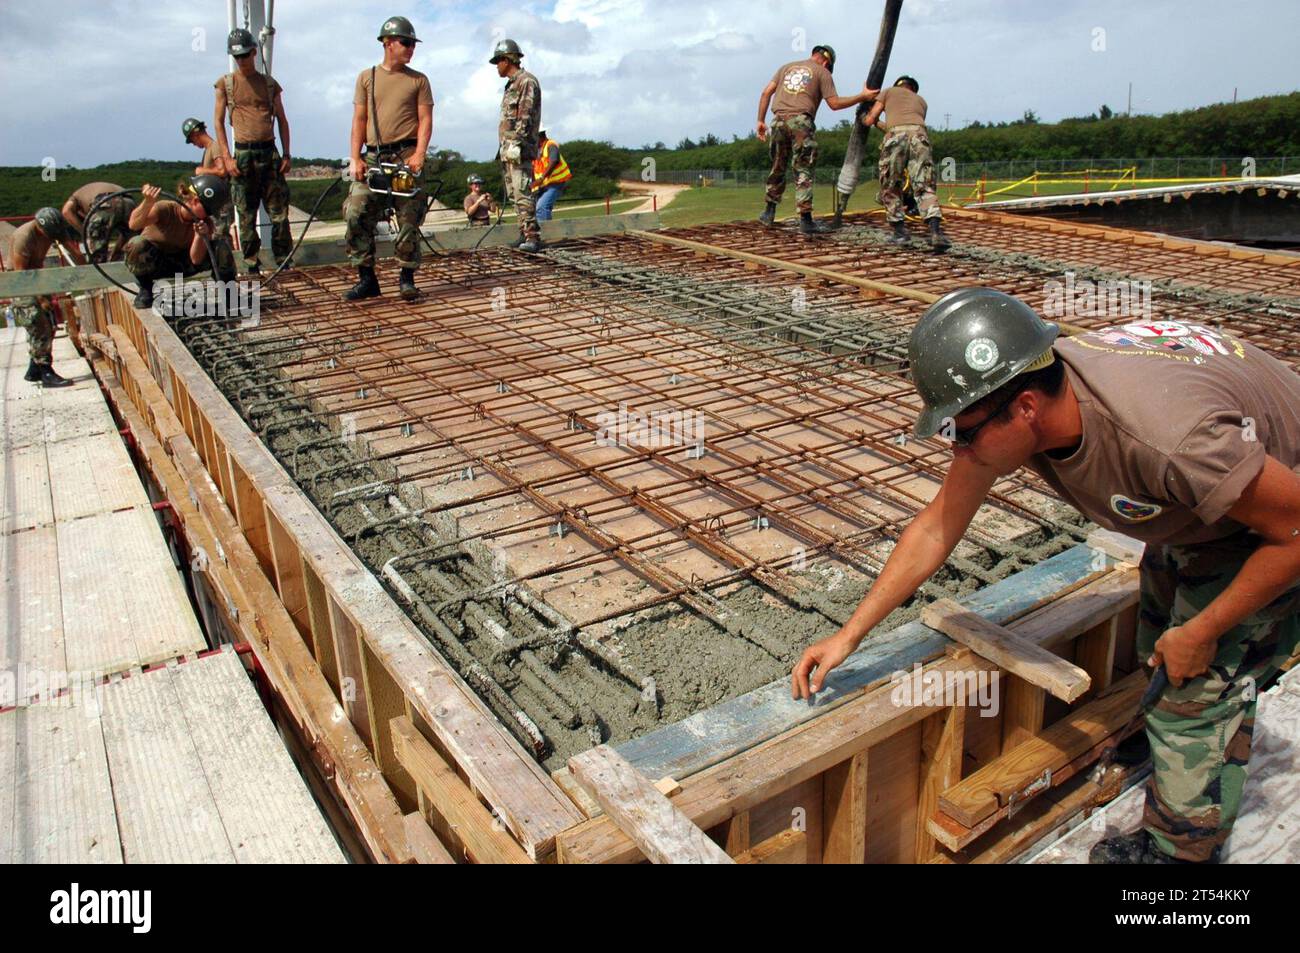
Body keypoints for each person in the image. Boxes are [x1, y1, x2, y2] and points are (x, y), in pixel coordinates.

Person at [792, 288, 1300, 864]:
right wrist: (848, 635)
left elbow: (1295, 533)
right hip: (1201, 501)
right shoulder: (1025, 393)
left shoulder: (1170, 443)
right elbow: (937, 527)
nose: (959, 446)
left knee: (1196, 685)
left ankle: (1179, 859)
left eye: (964, 430)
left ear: (1026, 408)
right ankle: (1175, 752)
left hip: (1276, 512)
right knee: (1159, 635)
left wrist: (1204, 631)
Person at [342, 15, 433, 301]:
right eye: (406, 43)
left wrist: (419, 153)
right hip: (373, 158)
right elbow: (359, 119)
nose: (410, 48)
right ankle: (367, 278)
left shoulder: (418, 80)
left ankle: (406, 277)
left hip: (406, 156)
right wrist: (354, 158)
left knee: (409, 219)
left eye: (412, 44)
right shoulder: (366, 78)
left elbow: (425, 119)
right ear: (388, 42)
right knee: (356, 212)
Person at [755, 44, 876, 234]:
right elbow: (834, 104)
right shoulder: (822, 72)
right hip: (801, 122)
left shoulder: (786, 67)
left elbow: (765, 93)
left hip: (777, 122)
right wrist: (862, 96)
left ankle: (768, 213)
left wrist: (760, 121)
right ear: (827, 61)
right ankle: (806, 220)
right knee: (803, 170)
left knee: (778, 166)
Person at [212, 27, 293, 274]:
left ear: (254, 53)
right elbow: (217, 121)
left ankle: (284, 261)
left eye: (245, 55)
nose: (242, 60)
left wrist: (287, 153)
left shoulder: (269, 84)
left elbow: (282, 119)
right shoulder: (225, 84)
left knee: (279, 214)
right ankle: (251, 264)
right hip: (242, 155)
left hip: (269, 153)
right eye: (237, 56)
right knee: (246, 216)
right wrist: (226, 158)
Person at [859, 75, 950, 250]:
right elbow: (906, 125)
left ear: (898, 86)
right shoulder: (921, 101)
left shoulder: (888, 92)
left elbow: (873, 121)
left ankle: (900, 233)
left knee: (890, 184)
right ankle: (936, 233)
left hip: (895, 137)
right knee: (924, 185)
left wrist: (866, 117)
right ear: (913, 90)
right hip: (919, 136)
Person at [123, 176, 235, 310]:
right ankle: (146, 288)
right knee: (136, 244)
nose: (208, 216)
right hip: (156, 264)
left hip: (183, 264)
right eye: (208, 210)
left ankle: (229, 293)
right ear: (195, 201)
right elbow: (134, 224)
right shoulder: (165, 209)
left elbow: (196, 260)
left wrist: (200, 236)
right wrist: (147, 202)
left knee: (220, 247)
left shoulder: (205, 223)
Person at [6, 207, 83, 387]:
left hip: (39, 278)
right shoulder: (23, 237)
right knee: (38, 325)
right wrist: (40, 299)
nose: (51, 238)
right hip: (21, 284)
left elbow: (74, 251)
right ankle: (45, 372)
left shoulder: (52, 229)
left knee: (51, 323)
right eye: (48, 234)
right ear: (40, 227)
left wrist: (87, 271)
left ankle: (34, 369)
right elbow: (21, 273)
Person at [491, 38, 542, 252]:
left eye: (498, 62)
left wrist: (517, 143)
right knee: (514, 194)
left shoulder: (526, 81)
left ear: (507, 60)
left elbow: (526, 115)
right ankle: (523, 234)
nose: (496, 67)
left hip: (518, 149)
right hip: (508, 149)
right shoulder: (511, 84)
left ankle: (532, 237)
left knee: (523, 193)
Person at [61, 181, 134, 263]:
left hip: (105, 201)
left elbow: (66, 211)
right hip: (129, 201)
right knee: (131, 240)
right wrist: (114, 255)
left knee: (96, 256)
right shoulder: (87, 193)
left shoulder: (75, 197)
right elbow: (125, 236)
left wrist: (85, 233)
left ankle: (98, 273)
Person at [531, 129, 571, 222]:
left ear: (539, 135)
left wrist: (541, 178)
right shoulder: (535, 150)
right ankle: (548, 232)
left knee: (542, 207)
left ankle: (546, 234)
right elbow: (535, 169)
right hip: (543, 185)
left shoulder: (550, 145)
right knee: (537, 210)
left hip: (555, 183)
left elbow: (554, 161)